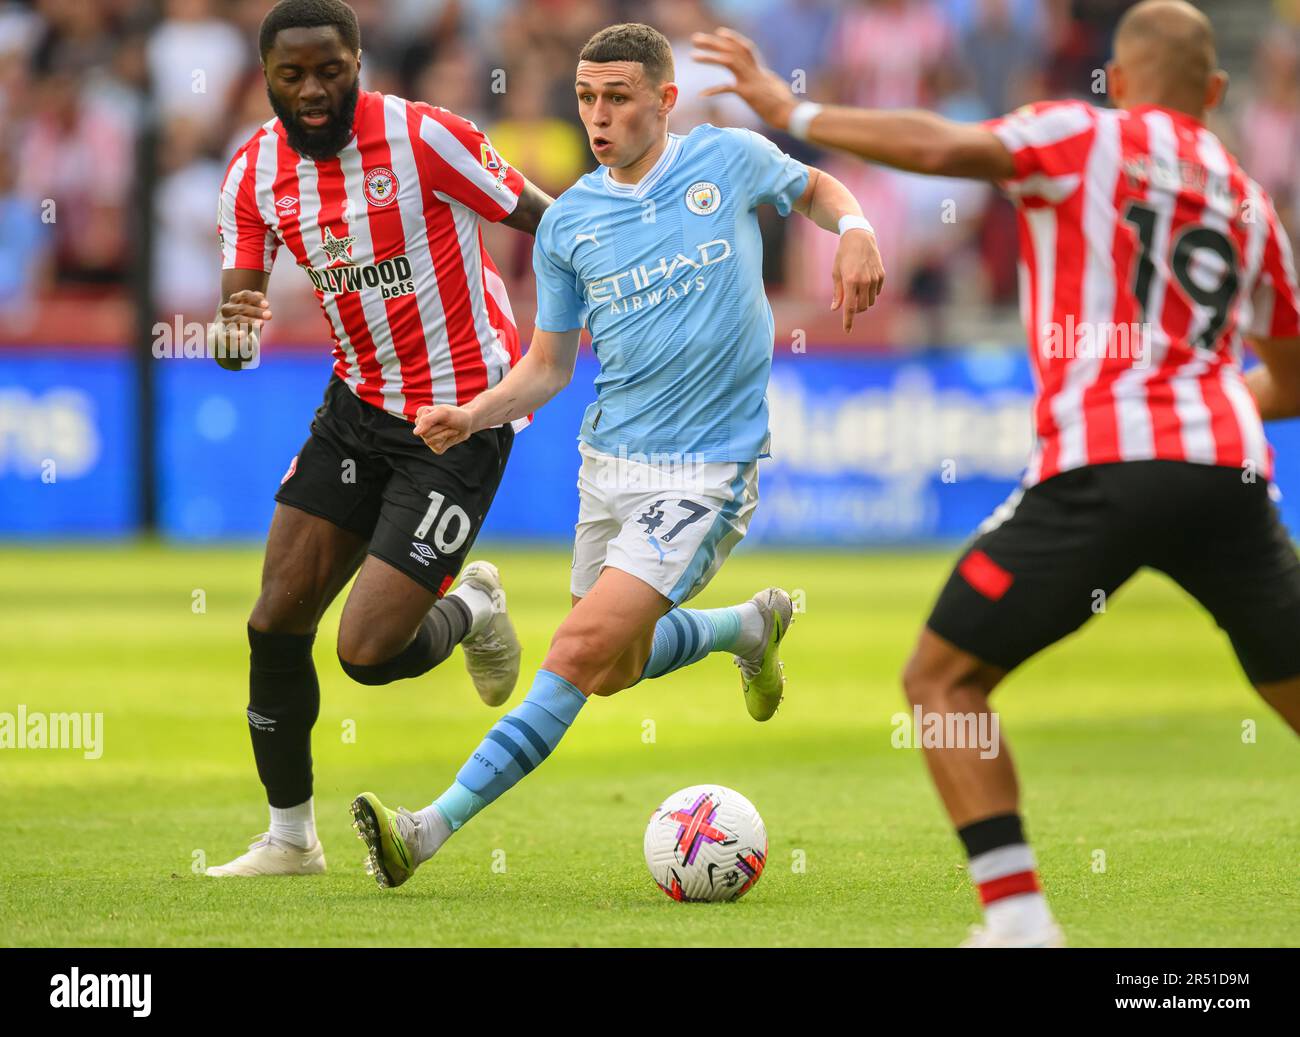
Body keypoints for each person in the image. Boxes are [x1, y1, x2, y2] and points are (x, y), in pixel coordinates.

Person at [694, 0, 1300, 947]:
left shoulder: (1082, 130)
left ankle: (1018, 920)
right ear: (1216, 92)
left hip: (1103, 461)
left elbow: (941, 148)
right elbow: (1292, 379)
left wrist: (795, 111)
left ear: (1123, 79)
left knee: (942, 682)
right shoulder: (1250, 198)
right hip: (1229, 471)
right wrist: (1201, 404)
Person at [347, 21, 886, 889]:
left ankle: (427, 826)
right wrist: (474, 415)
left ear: (665, 102)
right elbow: (549, 366)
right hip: (610, 465)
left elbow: (814, 184)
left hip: (708, 468)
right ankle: (746, 627)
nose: (597, 117)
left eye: (618, 98)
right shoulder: (569, 225)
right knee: (613, 670)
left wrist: (855, 226)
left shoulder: (727, 160)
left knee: (576, 648)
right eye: (586, 98)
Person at [205, 0, 553, 878]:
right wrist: (230, 335)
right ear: (268, 78)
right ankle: (290, 838)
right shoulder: (253, 173)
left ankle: (471, 607)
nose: (313, 91)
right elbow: (236, 320)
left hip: (460, 417)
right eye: (293, 76)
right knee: (273, 621)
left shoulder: (427, 138)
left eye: (330, 70)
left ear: (359, 61)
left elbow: (551, 222)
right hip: (358, 408)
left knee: (365, 653)